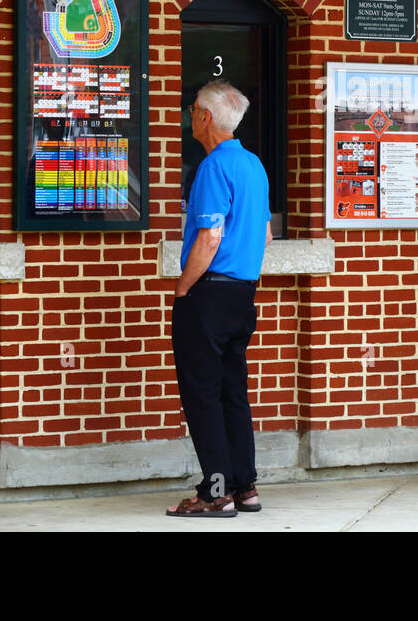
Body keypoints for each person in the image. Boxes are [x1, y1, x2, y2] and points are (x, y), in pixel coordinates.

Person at [166, 80, 272, 518]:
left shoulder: (213, 167)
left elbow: (210, 236)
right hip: (243, 294)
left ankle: (215, 493)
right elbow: (263, 234)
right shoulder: (254, 166)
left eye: (193, 109)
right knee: (233, 392)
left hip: (209, 293)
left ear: (205, 117)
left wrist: (184, 288)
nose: (191, 115)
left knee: (202, 395)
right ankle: (245, 487)